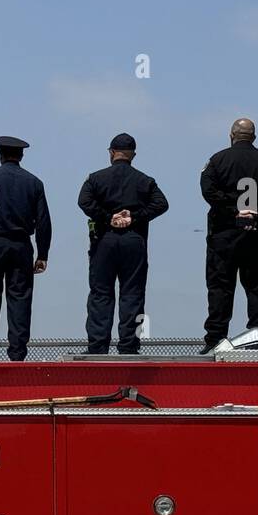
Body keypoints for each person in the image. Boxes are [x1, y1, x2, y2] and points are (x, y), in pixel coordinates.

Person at [77, 133, 168, 354]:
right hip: (134, 242)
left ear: (111, 153)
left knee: (100, 294)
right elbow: (162, 204)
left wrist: (107, 217)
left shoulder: (95, 178)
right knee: (134, 294)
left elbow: (83, 201)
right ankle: (131, 345)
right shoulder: (145, 180)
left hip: (103, 241)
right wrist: (134, 218)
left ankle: (97, 346)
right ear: (133, 155)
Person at [199, 117, 258, 352]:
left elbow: (208, 191)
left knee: (220, 286)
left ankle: (216, 340)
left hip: (224, 234)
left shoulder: (217, 160)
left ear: (231, 135)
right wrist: (257, 212)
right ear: (254, 137)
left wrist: (234, 209)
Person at [0, 136, 51, 361]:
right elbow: (44, 221)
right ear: (21, 156)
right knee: (19, 300)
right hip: (20, 246)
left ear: (0, 154)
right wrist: (42, 253)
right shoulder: (34, 183)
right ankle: (17, 354)